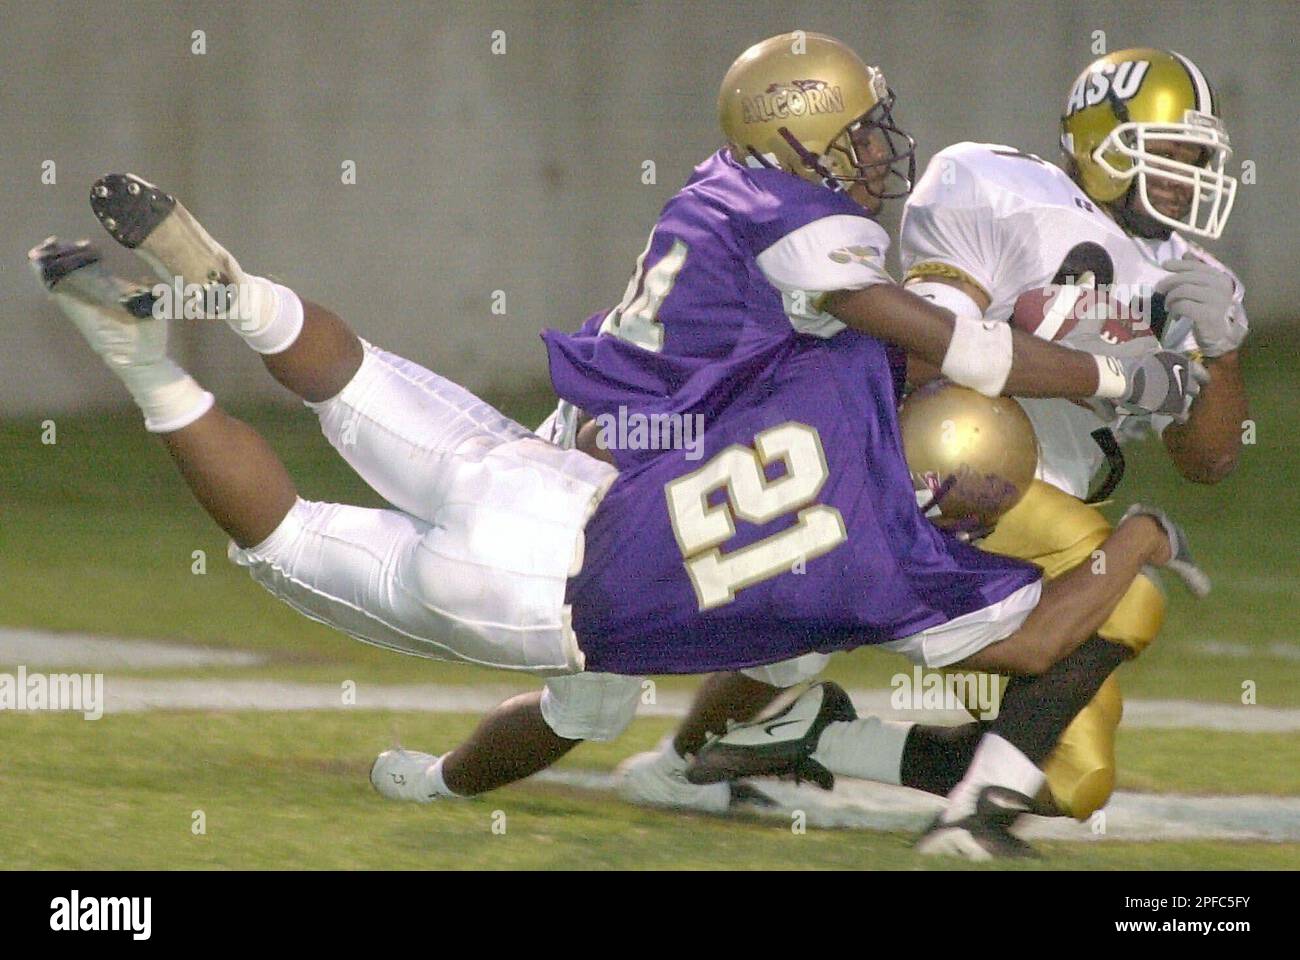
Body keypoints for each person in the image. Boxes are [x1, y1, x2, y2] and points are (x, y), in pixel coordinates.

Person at [31, 34, 1199, 828]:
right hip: (559, 582)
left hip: (577, 466)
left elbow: (931, 347)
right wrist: (1126, 441)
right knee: (287, 539)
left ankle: (234, 297)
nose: (881, 149)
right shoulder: (896, 577)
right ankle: (147, 369)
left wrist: (1040, 345)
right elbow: (1031, 626)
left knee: (359, 381)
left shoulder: (816, 344)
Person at [659, 47, 1243, 859]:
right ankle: (968, 821)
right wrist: (1090, 368)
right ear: (1104, 146)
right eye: (1168, 154)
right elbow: (920, 354)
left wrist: (1220, 350)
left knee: (1078, 782)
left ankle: (809, 741)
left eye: (1196, 159)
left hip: (1055, 509)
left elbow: (1208, 460)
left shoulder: (1195, 276)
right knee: (1127, 597)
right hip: (957, 470)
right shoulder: (1007, 193)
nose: (1187, 177)